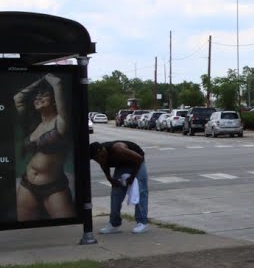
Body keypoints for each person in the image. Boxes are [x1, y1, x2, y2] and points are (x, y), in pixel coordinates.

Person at [12, 74, 75, 222]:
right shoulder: (33, 123)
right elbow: (17, 98)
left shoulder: (61, 122)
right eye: (36, 97)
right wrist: (39, 82)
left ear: (54, 101)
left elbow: (57, 83)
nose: (38, 98)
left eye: (44, 96)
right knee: (25, 228)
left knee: (66, 227)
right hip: (27, 184)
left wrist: (48, 78)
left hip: (53, 187)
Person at [88, 139, 150, 233]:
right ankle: (114, 223)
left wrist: (132, 177)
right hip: (121, 165)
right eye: (96, 159)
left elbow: (139, 159)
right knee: (116, 193)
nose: (99, 160)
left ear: (103, 150)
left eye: (100, 157)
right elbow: (104, 164)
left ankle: (142, 222)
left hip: (136, 162)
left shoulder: (118, 149)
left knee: (140, 191)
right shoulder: (100, 156)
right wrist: (110, 179)